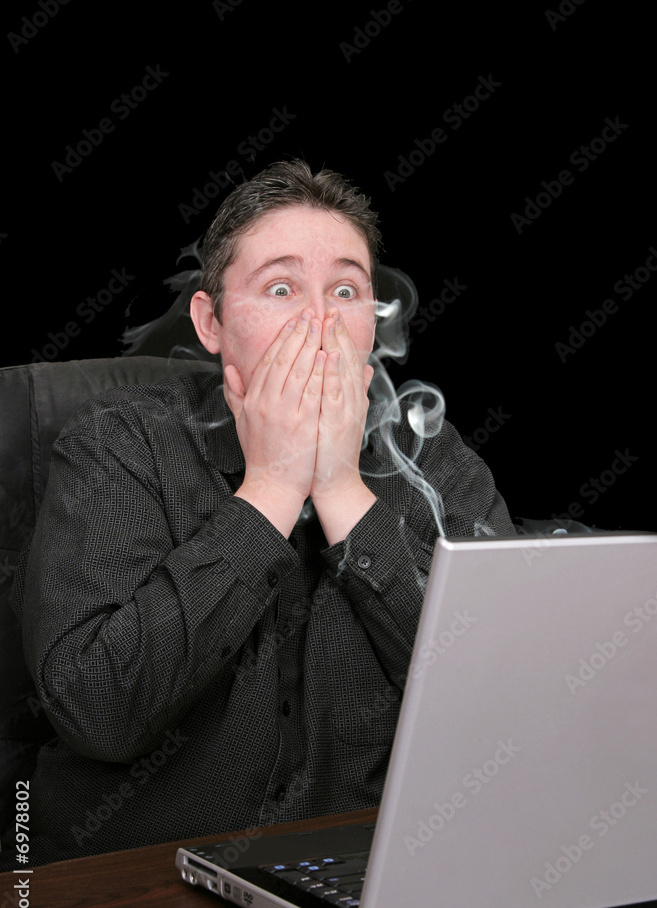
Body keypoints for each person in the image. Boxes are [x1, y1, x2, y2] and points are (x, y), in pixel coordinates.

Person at [8, 160, 515, 866]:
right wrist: (273, 487)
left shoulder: (435, 460)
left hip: (359, 880)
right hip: (134, 892)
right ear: (211, 323)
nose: (318, 320)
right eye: (280, 288)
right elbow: (101, 712)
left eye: (345, 290)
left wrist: (338, 488)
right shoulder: (117, 447)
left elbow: (501, 705)